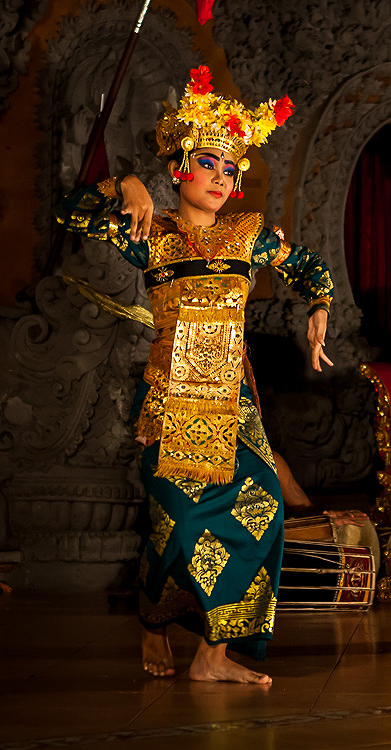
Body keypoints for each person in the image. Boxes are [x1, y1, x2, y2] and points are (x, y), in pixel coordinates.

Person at [55, 66, 333, 684]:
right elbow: (70, 213)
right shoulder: (149, 233)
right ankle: (153, 621)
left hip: (234, 405)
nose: (222, 178)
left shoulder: (249, 233)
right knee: (178, 524)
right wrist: (126, 183)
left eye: (231, 168)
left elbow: (314, 269)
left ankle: (214, 654)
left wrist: (318, 308)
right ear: (180, 167)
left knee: (262, 510)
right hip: (173, 401)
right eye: (209, 163)